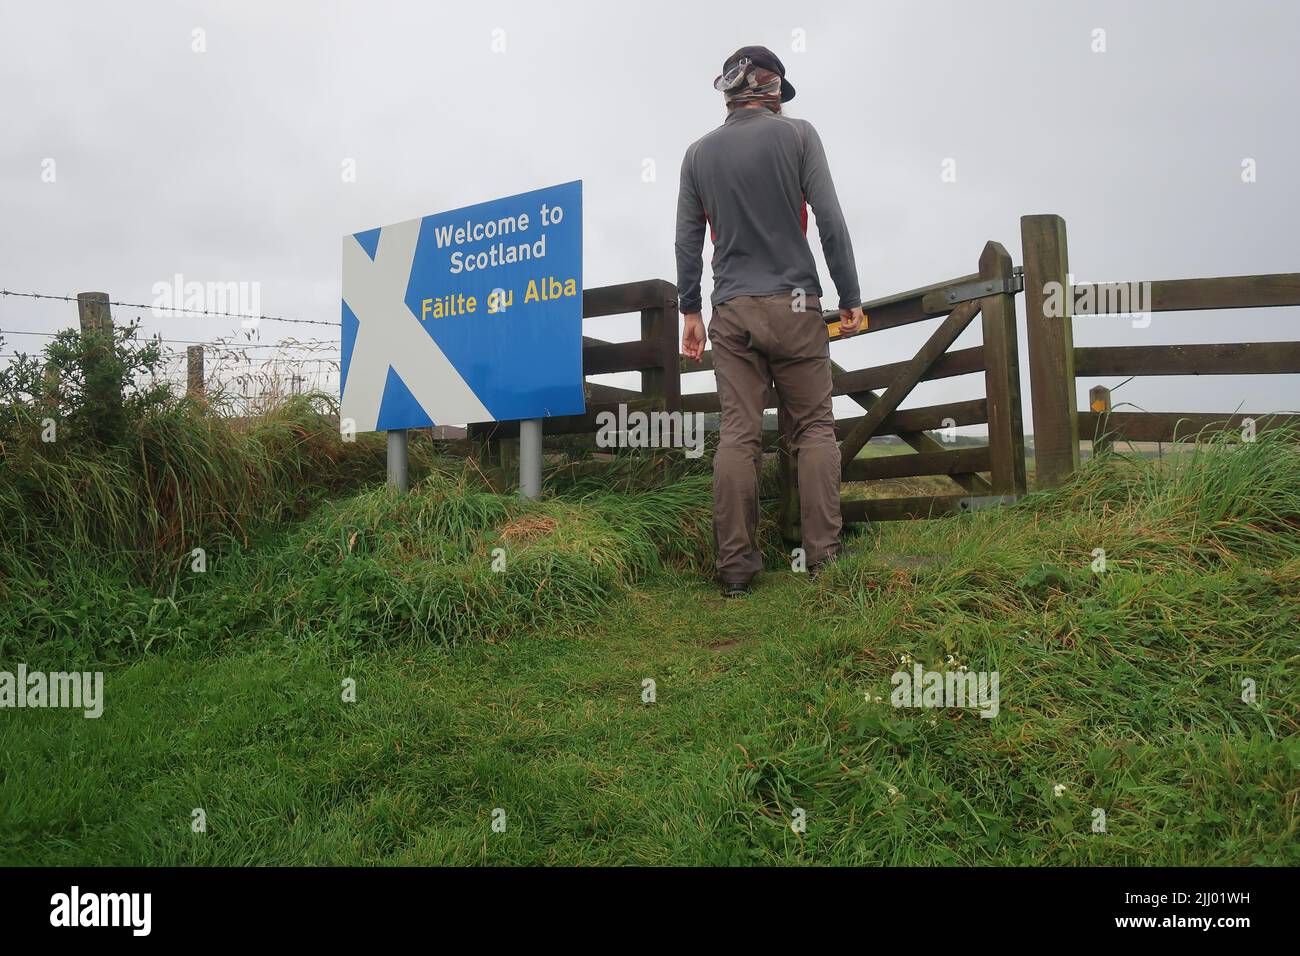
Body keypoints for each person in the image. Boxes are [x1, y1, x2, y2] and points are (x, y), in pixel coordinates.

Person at [676, 44, 865, 596]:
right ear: (771, 87)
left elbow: (688, 241)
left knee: (738, 435)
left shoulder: (696, 155)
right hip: (798, 303)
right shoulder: (800, 136)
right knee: (814, 429)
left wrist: (690, 310)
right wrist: (850, 296)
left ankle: (736, 569)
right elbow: (829, 219)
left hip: (731, 308)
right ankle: (824, 555)